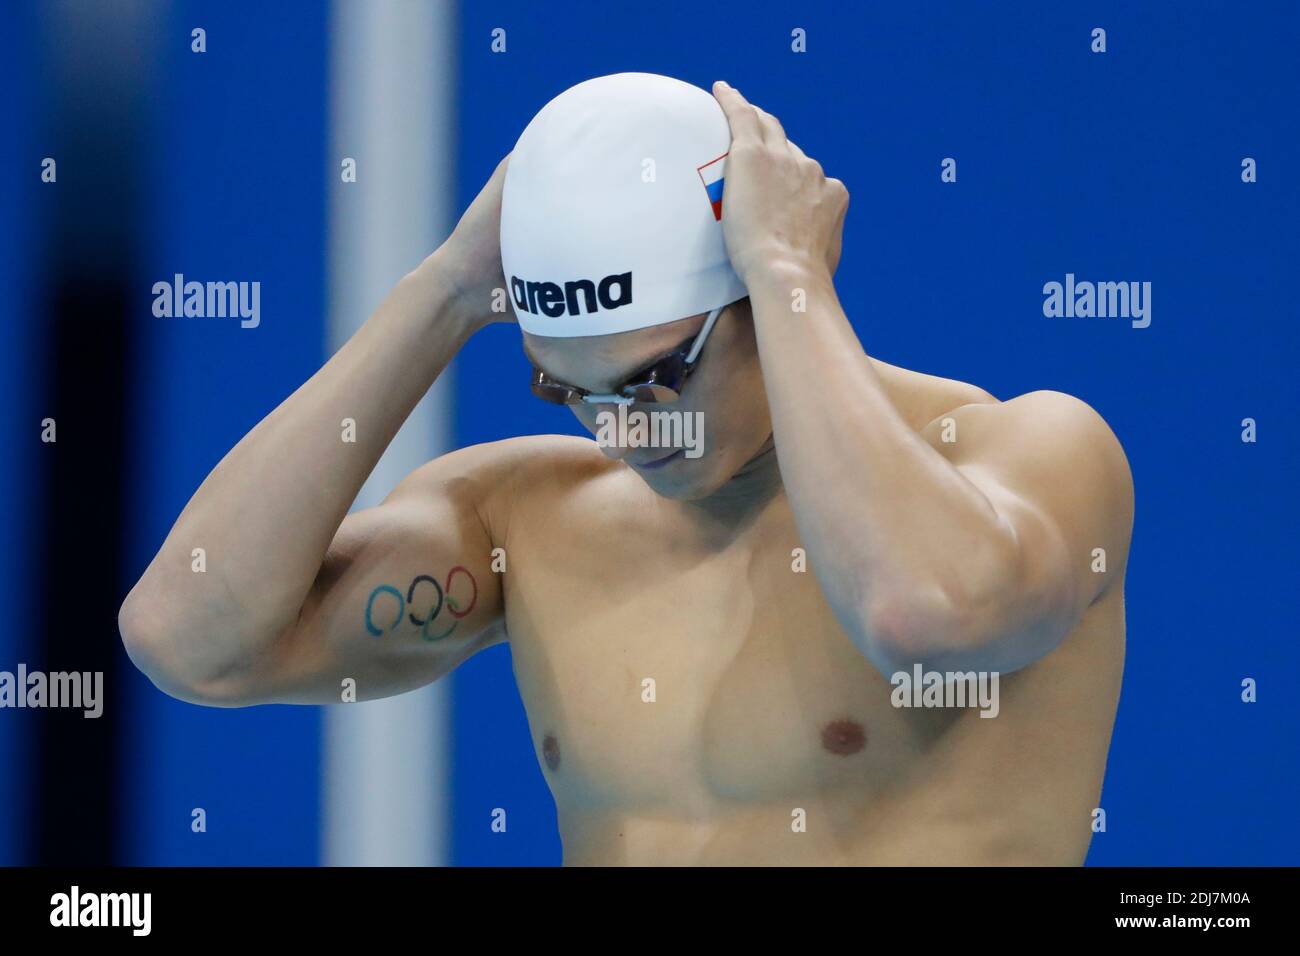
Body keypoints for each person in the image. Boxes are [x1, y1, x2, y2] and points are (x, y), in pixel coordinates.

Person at [119, 73, 1133, 865]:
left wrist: (789, 275)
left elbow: (924, 611)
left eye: (654, 378)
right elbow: (190, 640)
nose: (621, 433)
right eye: (568, 389)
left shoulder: (1029, 453)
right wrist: (444, 293)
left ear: (760, 282)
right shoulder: (529, 517)